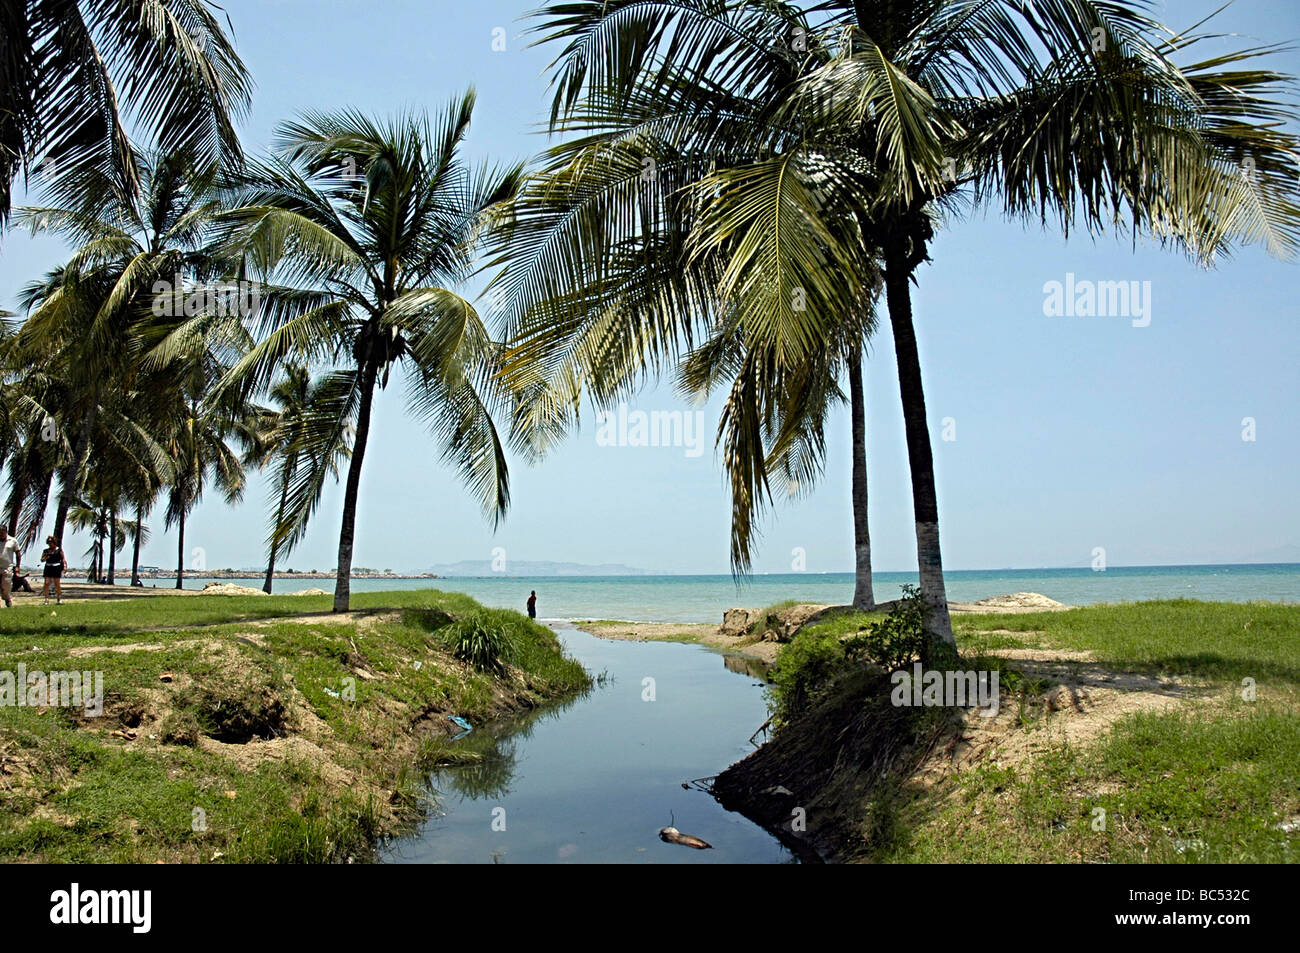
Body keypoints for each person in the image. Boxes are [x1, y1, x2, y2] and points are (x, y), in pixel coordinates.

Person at [40, 535, 66, 605]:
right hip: (48, 567)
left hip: (56, 567)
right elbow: (42, 560)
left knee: (57, 583)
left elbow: (63, 559)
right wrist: (46, 557)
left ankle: (59, 598)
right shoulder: (46, 551)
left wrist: (64, 567)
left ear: (54, 542)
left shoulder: (59, 550)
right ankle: (46, 599)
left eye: (51, 542)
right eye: (48, 542)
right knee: (46, 583)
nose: (50, 544)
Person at [0, 525, 21, 608]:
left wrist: (17, 566)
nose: (0, 534)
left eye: (2, 533)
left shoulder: (13, 541)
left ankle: (7, 599)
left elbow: (18, 554)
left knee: (6, 586)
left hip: (7, 567)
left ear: (6, 532)